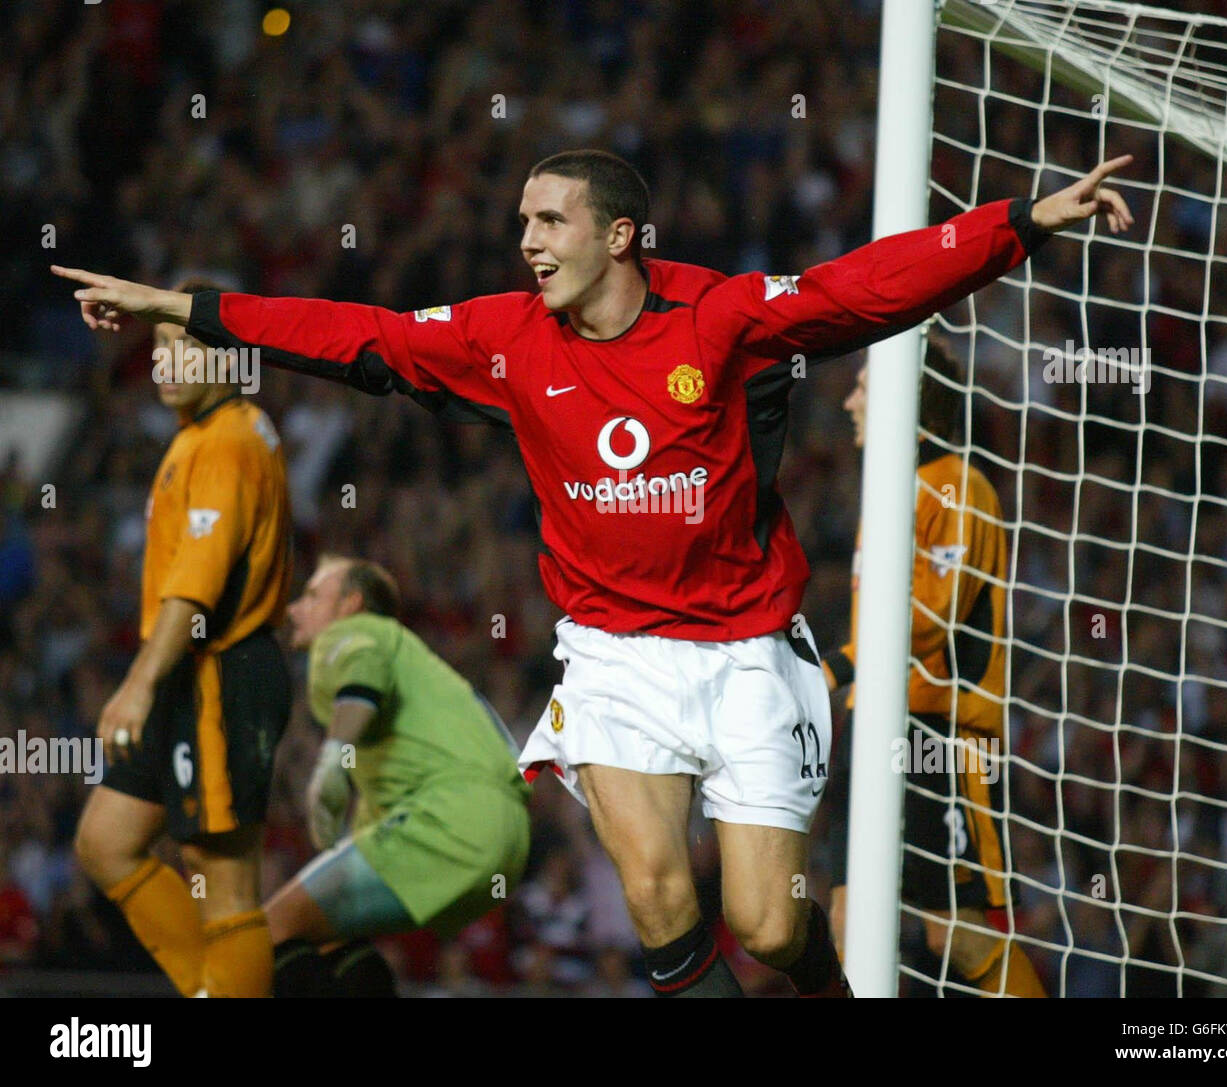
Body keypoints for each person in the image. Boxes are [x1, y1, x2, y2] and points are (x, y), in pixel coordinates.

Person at [53, 146, 1133, 997]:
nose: (524, 240)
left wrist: (1018, 222)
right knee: (660, 893)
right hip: (613, 657)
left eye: (548, 219)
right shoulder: (505, 340)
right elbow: (357, 334)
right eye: (521, 219)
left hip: (746, 650)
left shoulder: (719, 318)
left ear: (618, 235)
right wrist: (180, 304)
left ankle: (817, 985)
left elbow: (864, 289)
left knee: (766, 924)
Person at [73, 278, 293, 997]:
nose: (169, 364)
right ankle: (208, 985)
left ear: (232, 358)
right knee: (105, 840)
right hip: (191, 674)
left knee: (223, 880)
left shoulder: (228, 442)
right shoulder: (204, 436)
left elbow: (195, 585)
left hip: (219, 672)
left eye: (188, 346)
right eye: (162, 347)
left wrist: (137, 683)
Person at [823, 338, 1045, 997]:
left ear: (907, 401)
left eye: (864, 386)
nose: (849, 401)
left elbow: (928, 621)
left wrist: (829, 669)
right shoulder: (893, 493)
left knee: (958, 929)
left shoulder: (957, 484)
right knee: (847, 916)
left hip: (942, 734)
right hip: (875, 726)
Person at [263, 553, 532, 997]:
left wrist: (333, 756)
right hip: (503, 840)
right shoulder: (420, 670)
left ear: (350, 604)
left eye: (312, 596)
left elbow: (362, 670)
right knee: (332, 939)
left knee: (270, 931)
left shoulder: (353, 633)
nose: (294, 609)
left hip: (448, 821)